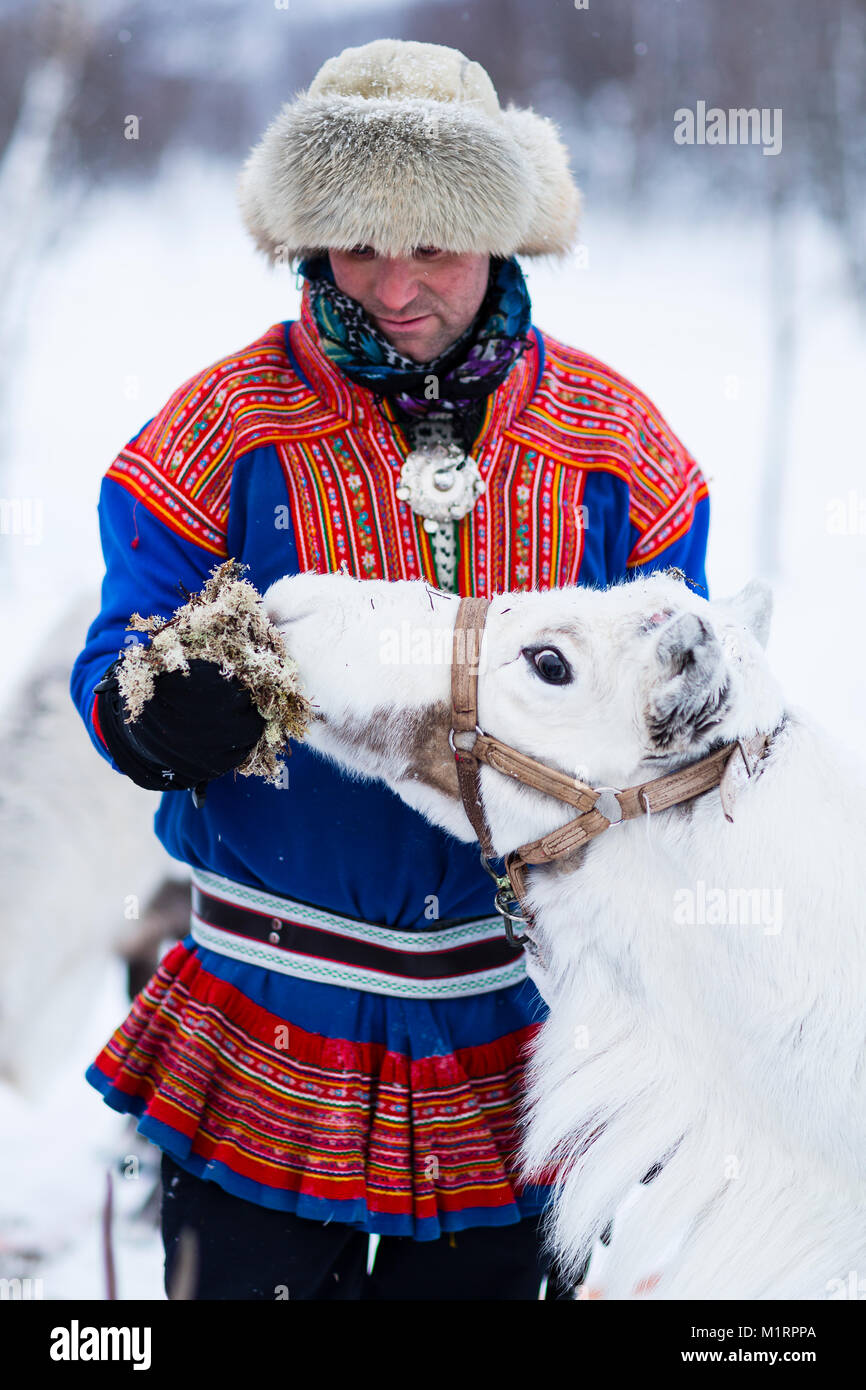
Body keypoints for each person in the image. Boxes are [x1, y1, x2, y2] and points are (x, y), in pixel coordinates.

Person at [70, 38, 709, 1301]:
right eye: (360, 244)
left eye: (435, 244)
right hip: (263, 1012)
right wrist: (157, 712)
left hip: (516, 1031)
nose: (395, 285)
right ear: (311, 239)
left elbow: (681, 733)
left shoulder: (621, 453)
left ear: (502, 232)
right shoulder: (217, 431)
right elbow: (114, 663)